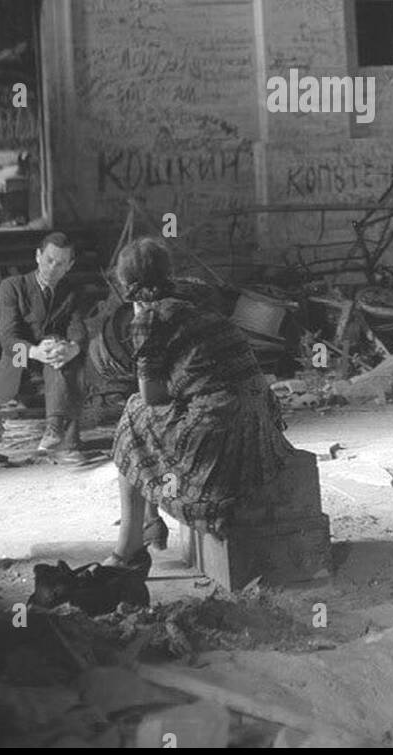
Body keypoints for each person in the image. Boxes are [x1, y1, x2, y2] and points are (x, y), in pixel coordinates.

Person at [102, 238, 293, 572]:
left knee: (133, 415)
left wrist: (140, 322)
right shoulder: (198, 297)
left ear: (126, 285)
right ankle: (149, 522)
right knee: (149, 414)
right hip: (262, 427)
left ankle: (130, 545)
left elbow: (151, 397)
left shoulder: (149, 319)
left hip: (221, 440)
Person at [0, 232, 88, 457]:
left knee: (62, 347)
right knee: (53, 346)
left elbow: (78, 330)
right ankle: (57, 427)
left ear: (69, 266)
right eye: (49, 260)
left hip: (56, 362)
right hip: (20, 361)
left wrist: (72, 347)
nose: (53, 268)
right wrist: (36, 351)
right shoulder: (12, 286)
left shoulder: (72, 291)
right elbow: (7, 340)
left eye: (61, 263)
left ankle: (54, 428)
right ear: (37, 256)